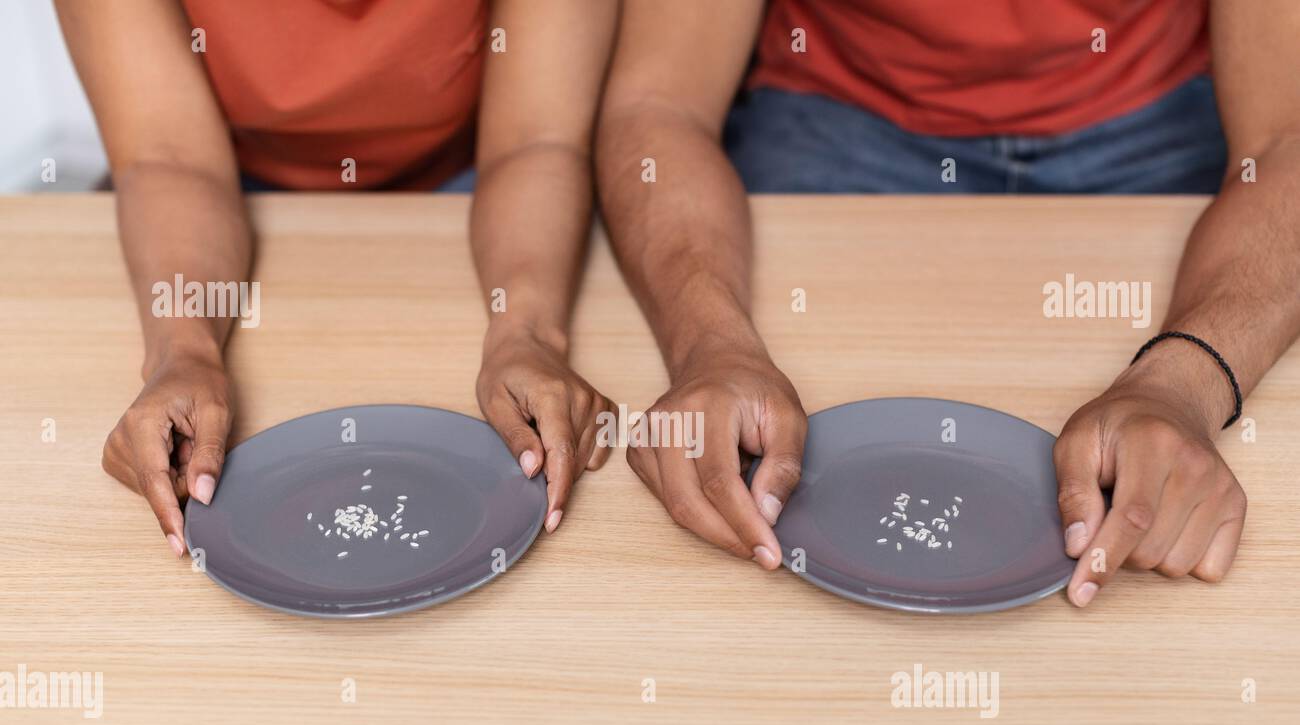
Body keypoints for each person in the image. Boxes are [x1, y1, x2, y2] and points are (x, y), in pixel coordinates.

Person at [596, 0, 1300, 607]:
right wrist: (709, 345)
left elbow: (1285, 136)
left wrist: (1182, 386)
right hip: (838, 113)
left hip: (1155, 112)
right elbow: (659, 105)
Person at [56, 0, 616, 556]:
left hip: (474, 184)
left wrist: (527, 334)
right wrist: (183, 351)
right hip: (220, 189)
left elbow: (535, 139)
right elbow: (169, 157)